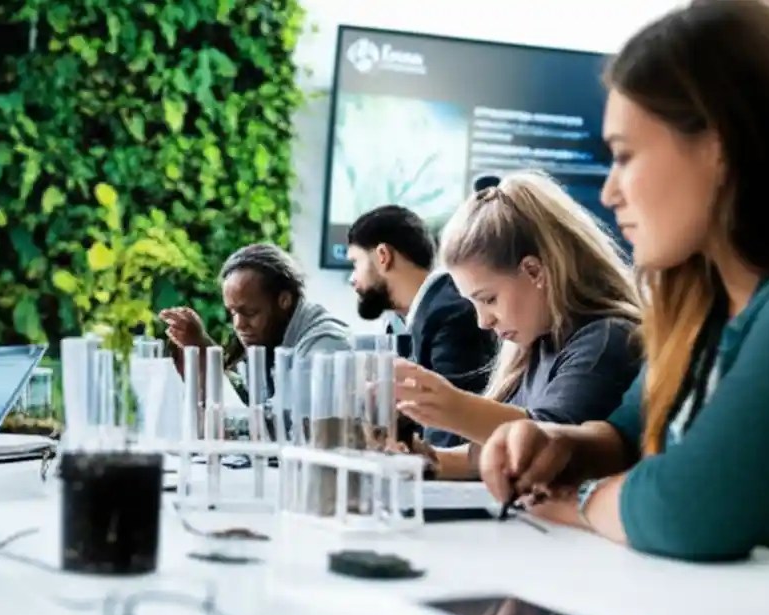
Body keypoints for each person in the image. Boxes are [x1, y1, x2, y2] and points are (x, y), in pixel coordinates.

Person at [480, 0, 769, 560]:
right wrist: (559, 446)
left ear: (720, 145)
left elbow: (693, 508)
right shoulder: (699, 306)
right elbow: (629, 431)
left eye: (625, 156)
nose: (610, 193)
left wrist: (581, 500)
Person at [390, 171, 642, 478]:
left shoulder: (607, 339)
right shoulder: (540, 342)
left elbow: (552, 444)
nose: (483, 321)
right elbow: (496, 452)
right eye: (474, 304)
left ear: (534, 271)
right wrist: (422, 461)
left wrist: (453, 408)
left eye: (489, 299)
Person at [346, 204, 497, 446]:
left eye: (355, 263)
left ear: (383, 256)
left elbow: (449, 431)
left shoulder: (452, 314)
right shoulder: (409, 320)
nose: (352, 279)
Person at [159, 243, 351, 402]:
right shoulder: (268, 345)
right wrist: (203, 350)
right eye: (232, 313)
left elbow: (280, 426)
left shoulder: (325, 348)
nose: (239, 325)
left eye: (249, 312)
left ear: (284, 300)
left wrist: (205, 352)